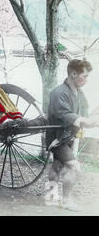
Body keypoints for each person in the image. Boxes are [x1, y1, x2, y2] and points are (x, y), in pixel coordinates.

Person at [45, 59, 99, 211]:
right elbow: (67, 115)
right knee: (74, 167)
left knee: (57, 166)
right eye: (85, 76)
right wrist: (88, 121)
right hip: (57, 138)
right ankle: (67, 200)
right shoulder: (58, 93)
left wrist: (93, 119)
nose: (87, 80)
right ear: (73, 73)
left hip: (67, 136)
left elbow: (86, 114)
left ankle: (50, 198)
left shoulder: (79, 93)